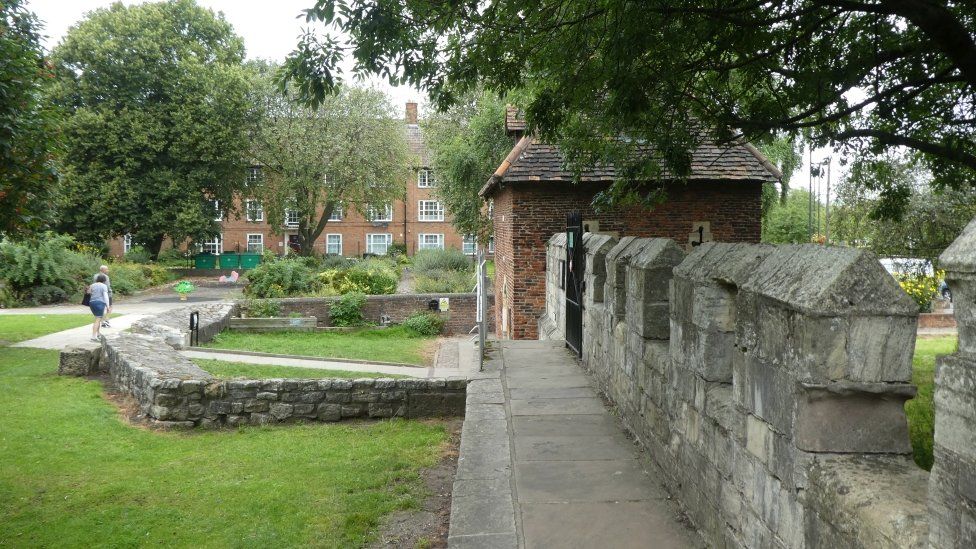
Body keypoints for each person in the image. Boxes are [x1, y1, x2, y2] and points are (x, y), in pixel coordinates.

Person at [89, 274, 110, 341]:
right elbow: (106, 296)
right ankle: (93, 336)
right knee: (98, 320)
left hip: (92, 302)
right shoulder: (104, 286)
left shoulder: (92, 285)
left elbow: (89, 293)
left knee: (97, 318)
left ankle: (98, 334)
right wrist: (108, 306)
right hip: (100, 303)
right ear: (104, 280)